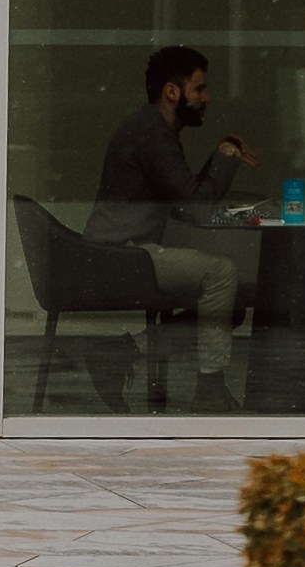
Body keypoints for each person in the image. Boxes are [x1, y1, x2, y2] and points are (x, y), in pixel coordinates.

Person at [89, 37, 257, 390]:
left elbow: (187, 199)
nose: (206, 98)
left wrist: (220, 159)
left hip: (119, 251)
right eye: (199, 88)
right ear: (172, 91)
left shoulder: (151, 130)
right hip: (122, 255)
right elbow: (195, 209)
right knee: (223, 274)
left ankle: (125, 350)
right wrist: (224, 159)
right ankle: (210, 392)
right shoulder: (152, 135)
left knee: (230, 307)